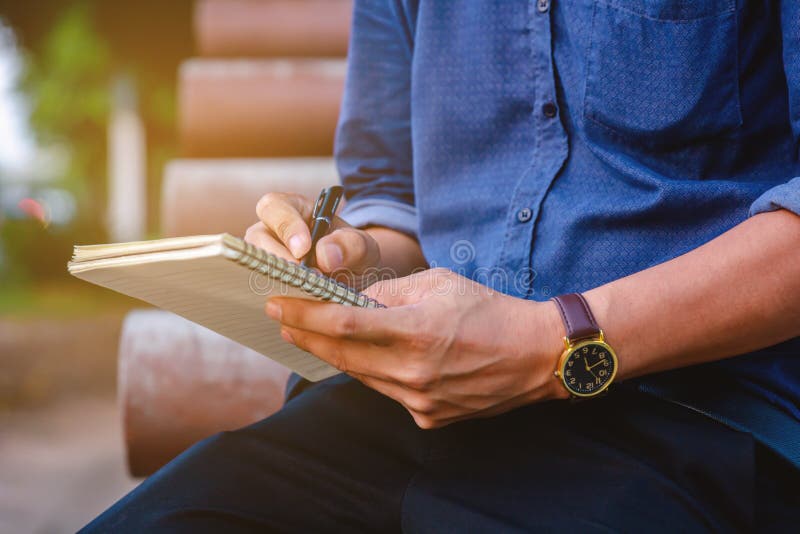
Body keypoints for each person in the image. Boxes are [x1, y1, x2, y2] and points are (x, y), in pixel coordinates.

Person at [84, 1, 800, 531]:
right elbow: (392, 199)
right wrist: (346, 261)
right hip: (411, 417)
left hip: (697, 417)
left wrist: (554, 343)